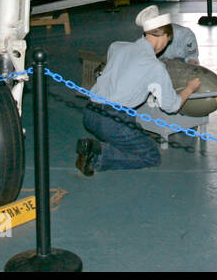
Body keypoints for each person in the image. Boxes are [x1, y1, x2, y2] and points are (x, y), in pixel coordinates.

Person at [76, 18, 202, 176]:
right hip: (114, 121)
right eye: (167, 41)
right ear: (163, 36)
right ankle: (96, 154)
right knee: (151, 156)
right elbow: (172, 106)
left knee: (132, 138)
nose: (165, 47)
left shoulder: (117, 46)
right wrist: (189, 89)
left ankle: (105, 145)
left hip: (90, 114)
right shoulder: (156, 67)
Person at [134, 4, 198, 63]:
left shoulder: (185, 35)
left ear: (168, 36)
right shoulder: (145, 41)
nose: (153, 46)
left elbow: (192, 59)